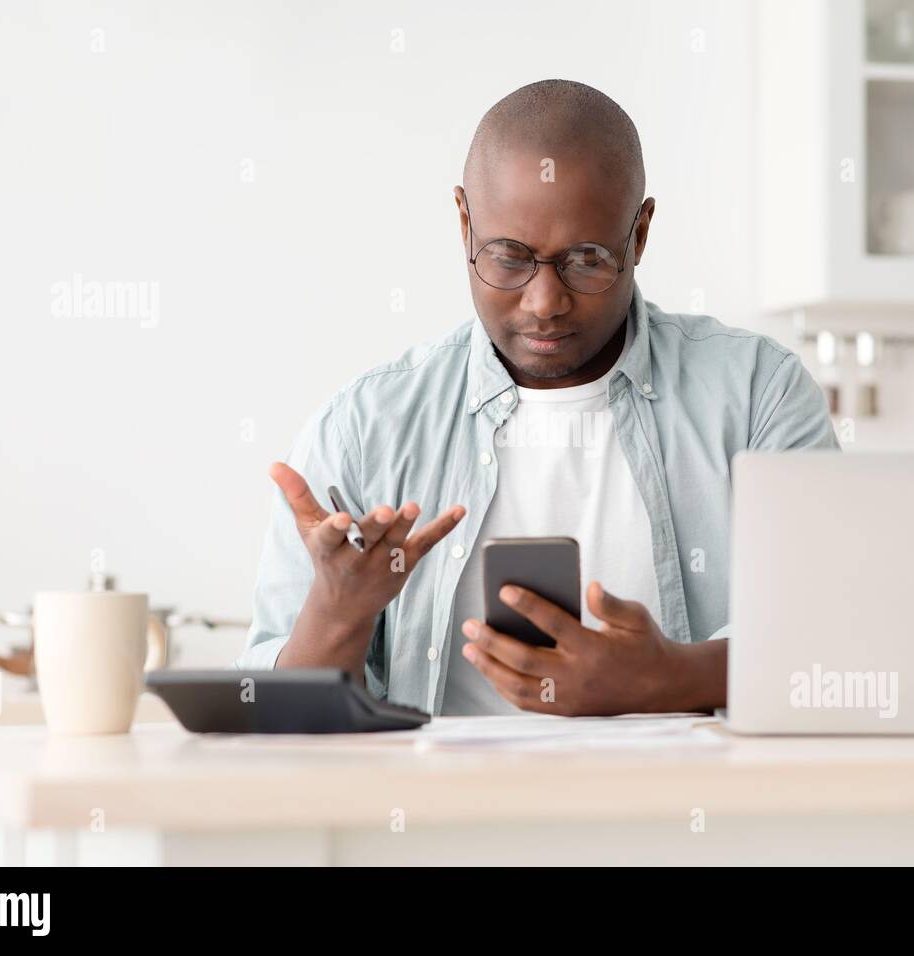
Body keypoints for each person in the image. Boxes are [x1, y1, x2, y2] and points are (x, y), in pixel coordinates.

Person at [234, 79, 839, 716]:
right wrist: (338, 614)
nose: (544, 303)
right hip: (443, 814)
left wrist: (672, 678)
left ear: (639, 236)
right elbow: (278, 721)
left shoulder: (757, 395)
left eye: (586, 259)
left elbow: (840, 645)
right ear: (465, 222)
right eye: (508, 256)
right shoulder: (365, 428)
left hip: (689, 811)